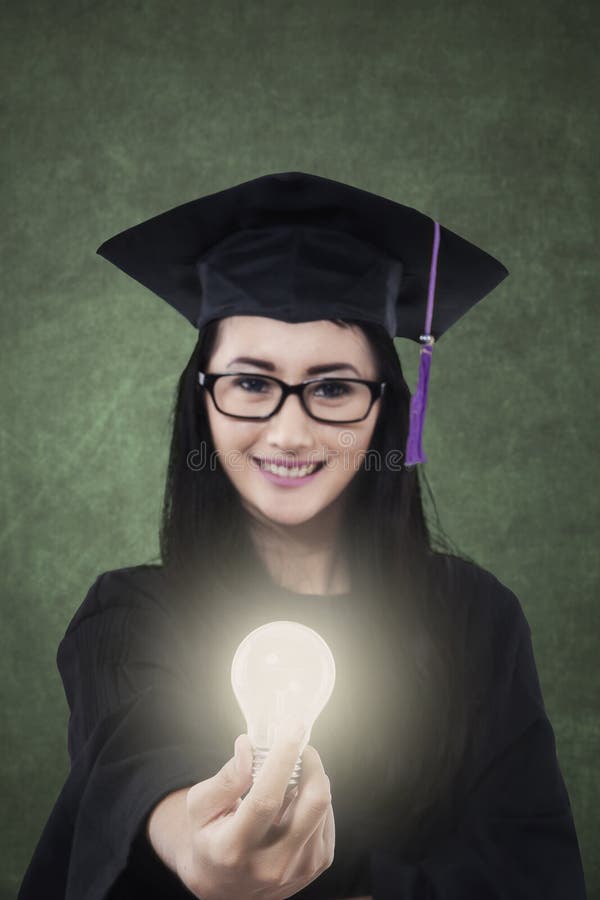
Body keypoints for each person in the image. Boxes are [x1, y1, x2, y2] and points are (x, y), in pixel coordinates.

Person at [19, 172, 587, 899]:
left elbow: (532, 871)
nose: (289, 432)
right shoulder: (127, 616)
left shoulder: (478, 618)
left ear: (386, 409)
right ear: (203, 399)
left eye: (332, 387)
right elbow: (134, 761)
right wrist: (197, 842)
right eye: (252, 383)